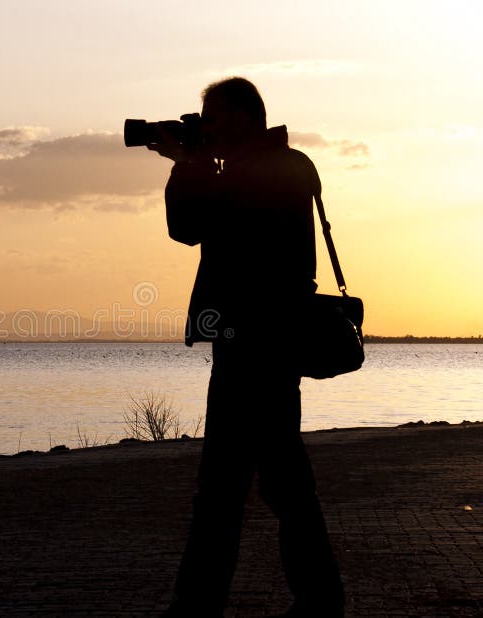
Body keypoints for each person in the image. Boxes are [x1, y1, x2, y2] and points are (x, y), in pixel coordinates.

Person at [149, 77, 344, 617]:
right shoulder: (287, 164)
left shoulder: (253, 170)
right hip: (273, 345)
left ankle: (198, 607)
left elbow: (188, 227)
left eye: (208, 117)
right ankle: (319, 602)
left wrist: (186, 163)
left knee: (223, 492)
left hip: (250, 347)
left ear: (238, 118)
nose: (201, 126)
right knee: (284, 484)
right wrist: (203, 161)